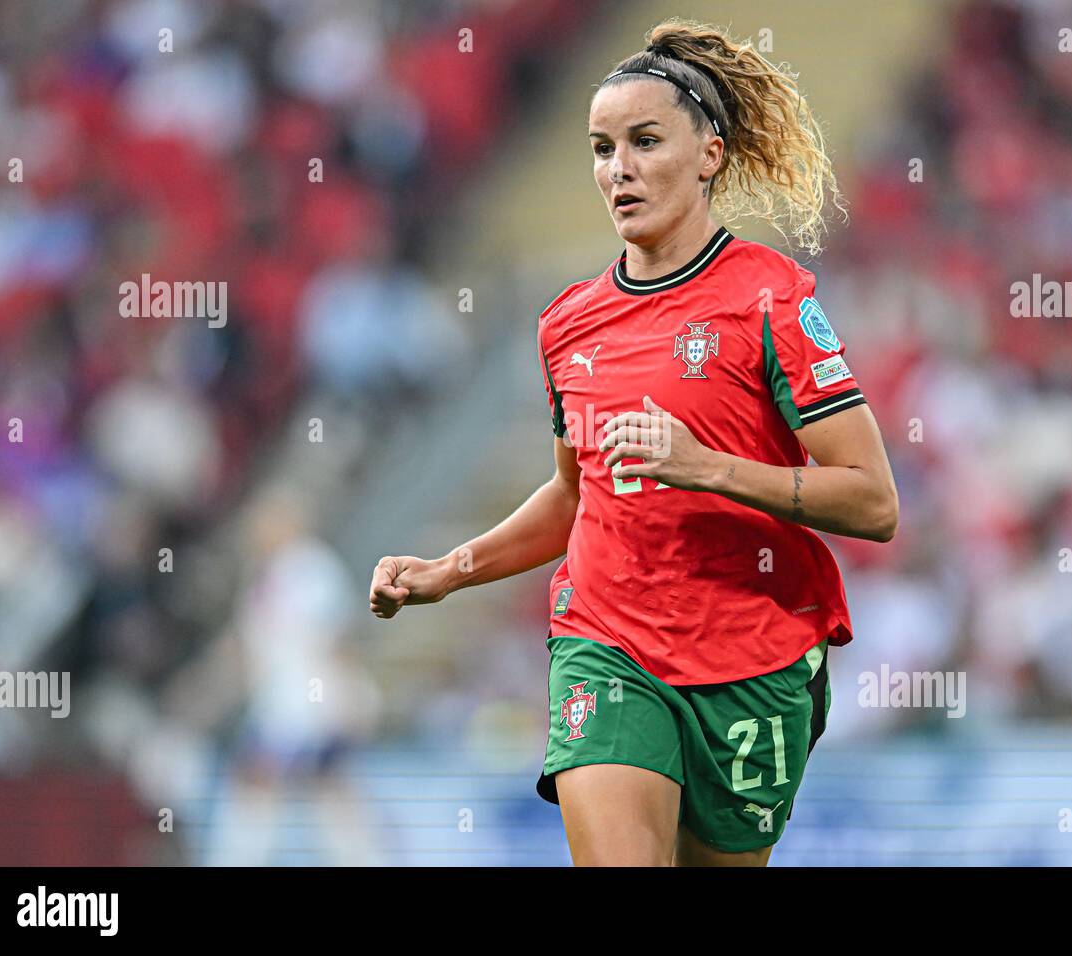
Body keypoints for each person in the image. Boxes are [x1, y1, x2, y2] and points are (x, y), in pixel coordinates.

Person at [370, 18, 898, 867]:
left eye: (645, 141)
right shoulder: (566, 324)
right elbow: (575, 497)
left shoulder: (771, 298)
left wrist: (705, 468)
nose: (619, 167)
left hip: (753, 658)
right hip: (608, 645)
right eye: (601, 148)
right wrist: (449, 571)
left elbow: (873, 501)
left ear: (709, 155)